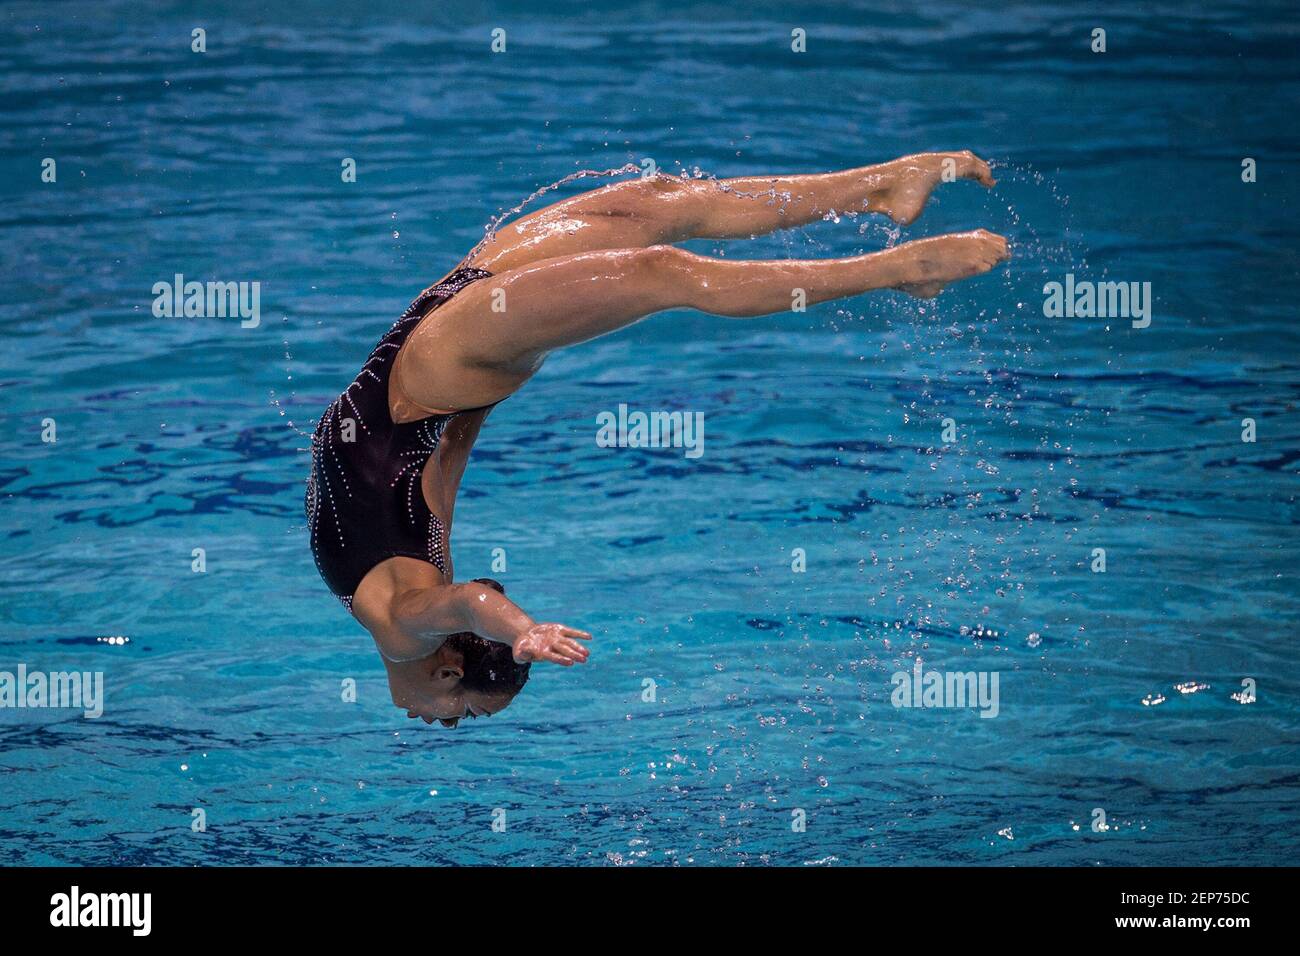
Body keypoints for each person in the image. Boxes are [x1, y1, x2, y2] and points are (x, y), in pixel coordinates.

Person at [305, 151, 1009, 726]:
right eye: (459, 717)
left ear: (452, 671)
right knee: (663, 238)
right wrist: (509, 355)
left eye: (457, 715)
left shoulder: (403, 627)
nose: (437, 721)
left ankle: (887, 203)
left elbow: (465, 591)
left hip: (445, 353)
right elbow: (450, 468)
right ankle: (896, 250)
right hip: (445, 349)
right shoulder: (412, 596)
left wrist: (521, 631)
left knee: (664, 222)